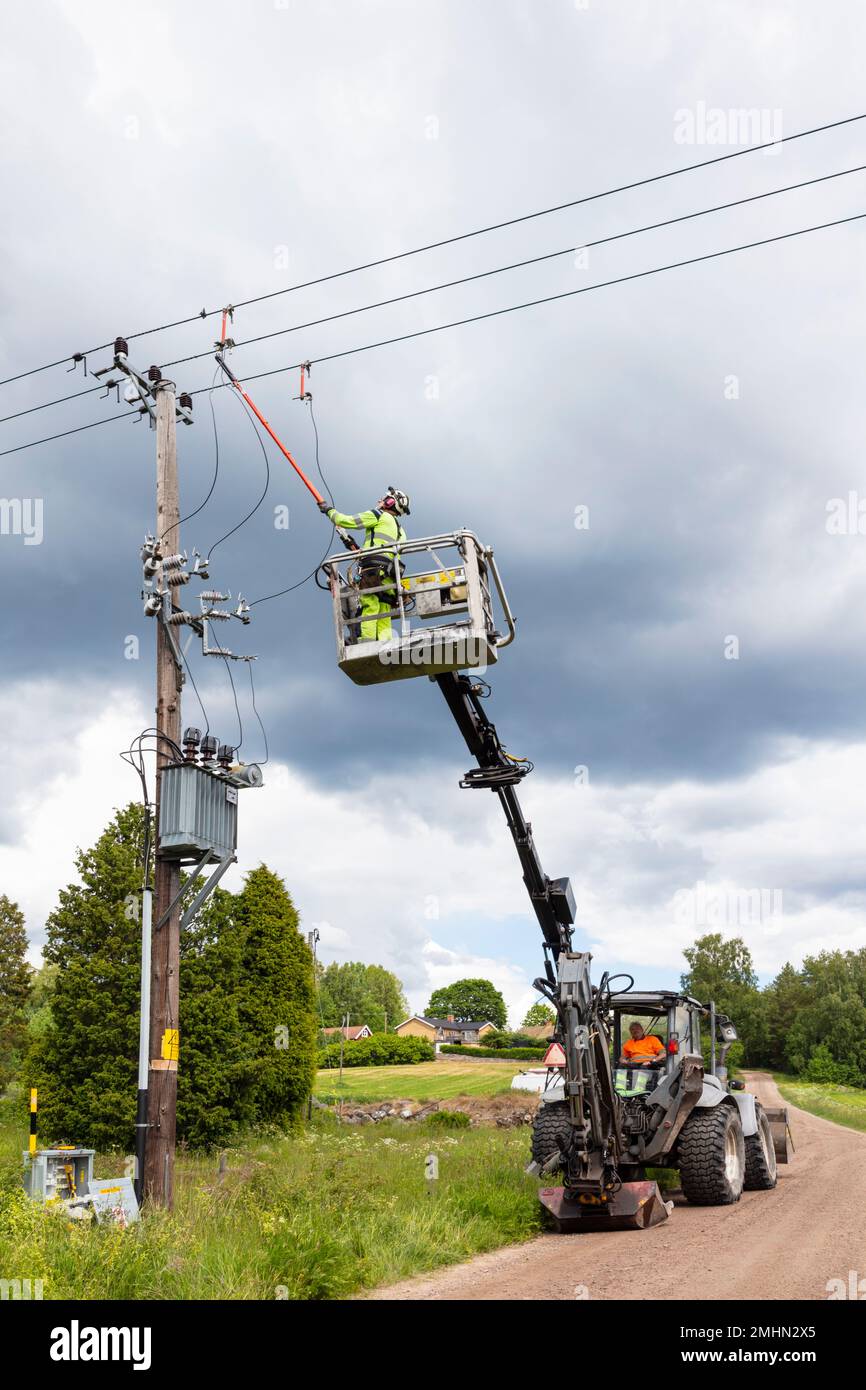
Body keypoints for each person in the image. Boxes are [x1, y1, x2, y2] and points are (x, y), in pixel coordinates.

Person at [320, 486, 411, 641]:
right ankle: (386, 644)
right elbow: (384, 548)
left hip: (372, 570)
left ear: (390, 502)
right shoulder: (400, 530)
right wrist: (354, 546)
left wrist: (329, 511)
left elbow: (347, 521)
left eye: (384, 498)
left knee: (370, 605)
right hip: (390, 573)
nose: (380, 500)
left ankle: (367, 643)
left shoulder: (379, 515)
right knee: (384, 611)